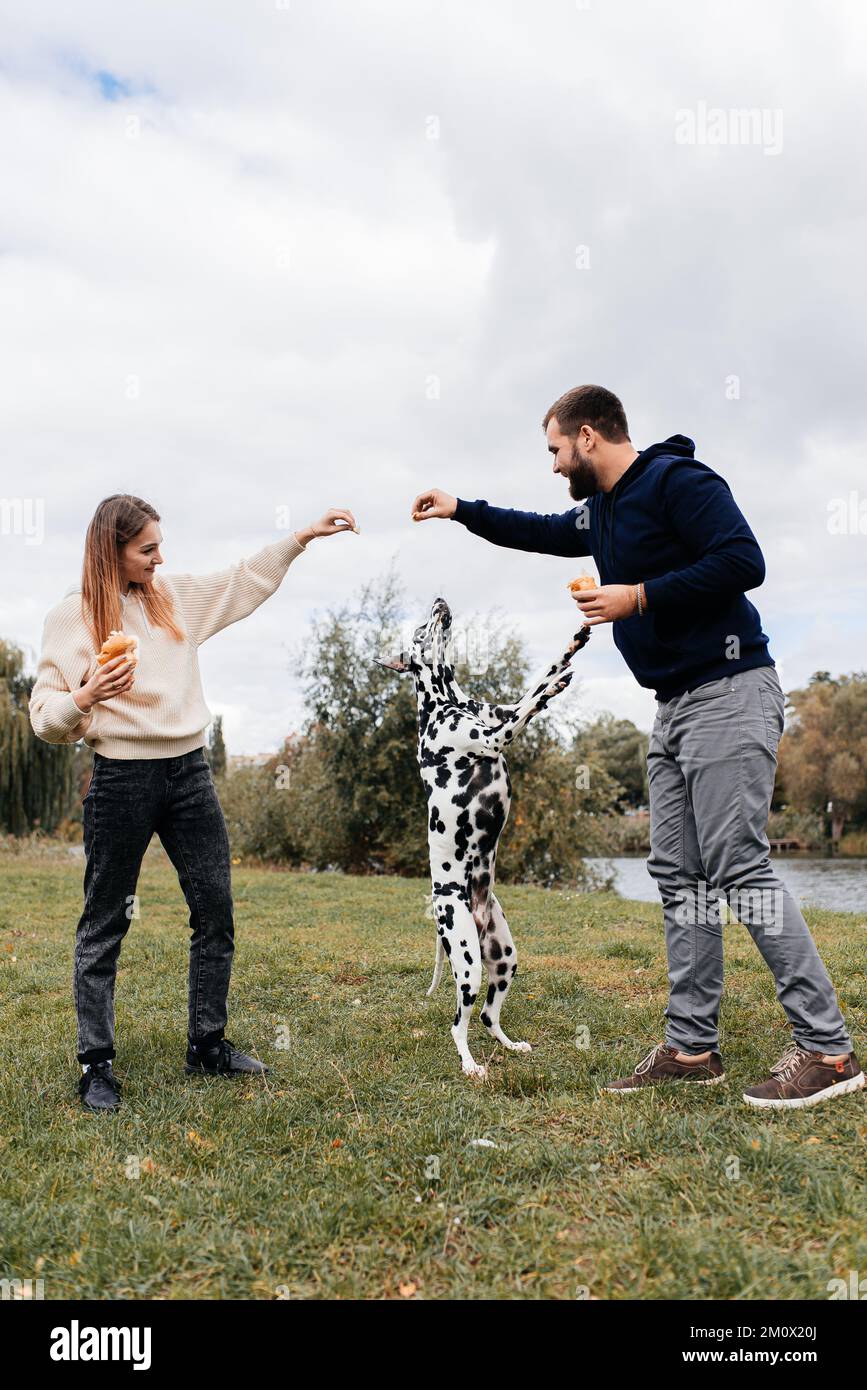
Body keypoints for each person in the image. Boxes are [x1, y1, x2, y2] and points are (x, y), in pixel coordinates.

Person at [410, 384, 862, 1110]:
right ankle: (691, 1048)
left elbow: (744, 561)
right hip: (673, 706)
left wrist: (638, 597)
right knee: (678, 873)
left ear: (588, 436)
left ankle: (827, 1050)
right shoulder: (601, 512)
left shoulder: (677, 482)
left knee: (736, 863)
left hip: (730, 689)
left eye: (555, 449)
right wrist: (461, 509)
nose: (554, 465)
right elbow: (537, 528)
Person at [29, 493, 357, 1112]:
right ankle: (96, 1064)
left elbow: (241, 580)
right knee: (105, 921)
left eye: (160, 545)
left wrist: (303, 536)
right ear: (113, 551)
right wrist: (86, 693)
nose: (159, 557)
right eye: (147, 548)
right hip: (121, 778)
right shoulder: (70, 619)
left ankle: (207, 1044)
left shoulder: (172, 598)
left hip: (187, 774)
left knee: (215, 909)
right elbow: (45, 719)